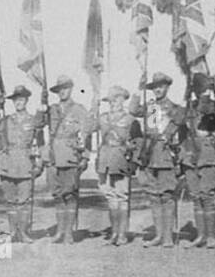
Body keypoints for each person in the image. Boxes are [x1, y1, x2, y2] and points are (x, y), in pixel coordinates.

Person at [130, 73, 187, 248]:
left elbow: (180, 128)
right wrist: (138, 91)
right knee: (153, 196)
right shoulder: (150, 106)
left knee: (167, 196)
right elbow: (133, 110)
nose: (157, 89)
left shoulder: (176, 108)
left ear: (167, 87)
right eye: (154, 87)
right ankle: (159, 235)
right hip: (149, 154)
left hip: (165, 154)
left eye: (160, 86)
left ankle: (168, 236)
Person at [0, 85, 43, 243]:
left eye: (21, 99)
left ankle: (24, 233)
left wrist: (39, 164)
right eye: (16, 100)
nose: (19, 102)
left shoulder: (33, 120)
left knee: (24, 201)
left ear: (26, 101)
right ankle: (13, 232)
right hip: (8, 163)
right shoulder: (6, 120)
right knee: (10, 200)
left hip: (26, 163)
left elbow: (40, 142)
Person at [44, 75, 92, 244]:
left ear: (71, 89)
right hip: (53, 157)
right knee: (57, 195)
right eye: (59, 89)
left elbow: (87, 135)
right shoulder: (51, 109)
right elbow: (37, 125)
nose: (62, 92)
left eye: (65, 88)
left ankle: (69, 233)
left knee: (70, 194)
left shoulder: (79, 109)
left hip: (71, 156)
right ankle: (60, 231)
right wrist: (41, 108)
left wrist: (85, 157)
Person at [179, 74, 215, 250]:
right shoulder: (189, 108)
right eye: (197, 89)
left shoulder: (213, 105)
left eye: (202, 88)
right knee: (196, 196)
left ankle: (211, 237)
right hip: (190, 154)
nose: (199, 92)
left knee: (207, 195)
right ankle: (201, 235)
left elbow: (208, 111)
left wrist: (207, 94)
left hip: (207, 154)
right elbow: (181, 125)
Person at [96, 85, 139, 247]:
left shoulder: (130, 119)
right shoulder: (102, 118)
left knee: (122, 197)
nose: (114, 102)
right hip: (105, 161)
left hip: (121, 161)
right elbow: (87, 128)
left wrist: (134, 162)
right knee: (111, 197)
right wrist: (94, 104)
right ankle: (114, 232)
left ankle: (122, 234)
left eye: (117, 99)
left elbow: (138, 141)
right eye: (111, 99)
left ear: (123, 100)